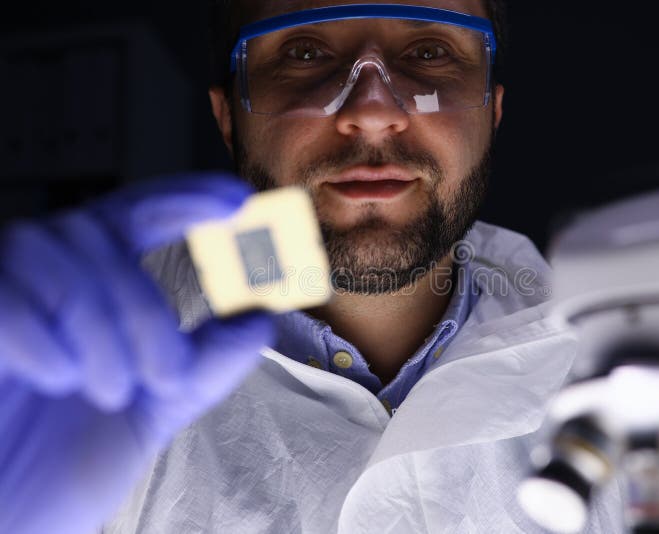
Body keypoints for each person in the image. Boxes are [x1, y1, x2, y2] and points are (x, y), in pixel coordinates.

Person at [0, 1, 627, 533]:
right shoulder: (78, 373)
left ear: (492, 111)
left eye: (429, 52)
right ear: (228, 117)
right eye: (305, 54)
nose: (373, 110)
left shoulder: (622, 371)